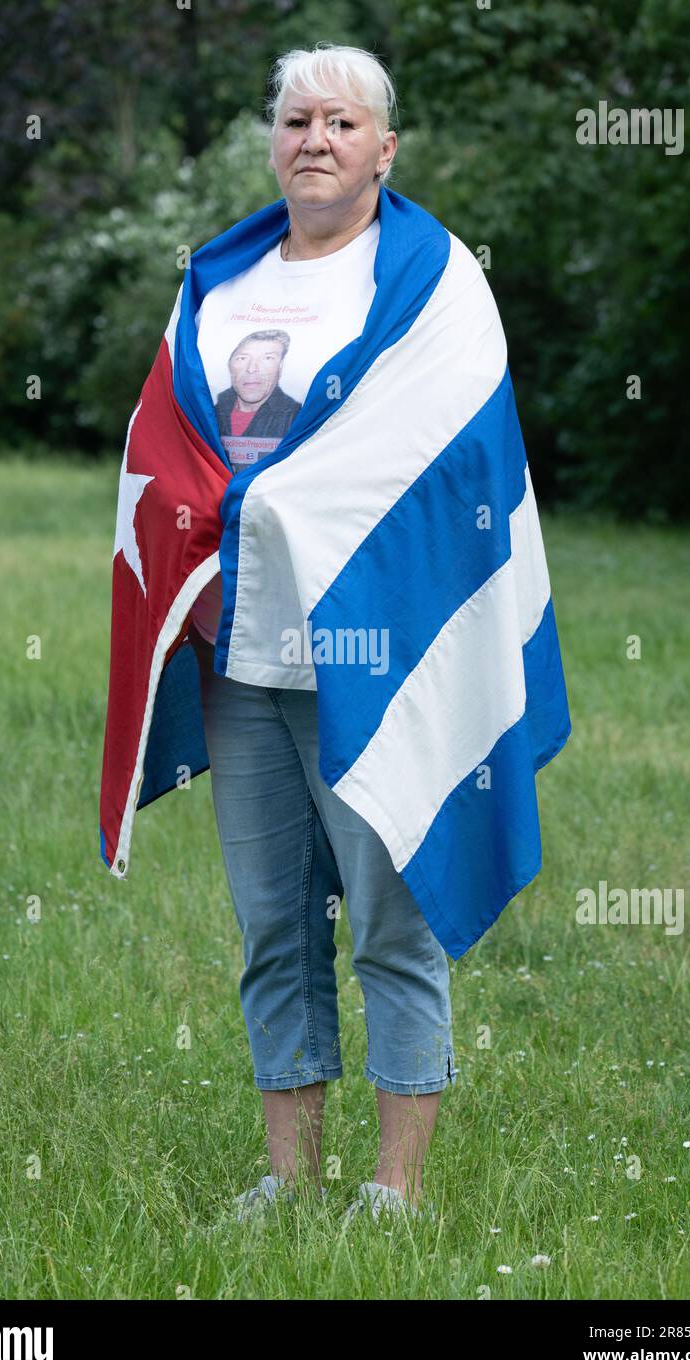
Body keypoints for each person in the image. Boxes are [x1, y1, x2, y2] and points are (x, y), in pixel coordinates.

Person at [187, 43, 454, 1224]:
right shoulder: (220, 284)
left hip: (372, 659)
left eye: (342, 124)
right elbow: (175, 443)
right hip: (242, 655)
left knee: (391, 921)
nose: (315, 140)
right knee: (271, 923)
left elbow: (451, 463)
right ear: (271, 142)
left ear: (383, 149)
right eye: (296, 120)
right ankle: (286, 1178)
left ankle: (392, 1186)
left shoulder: (431, 283)